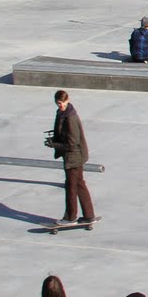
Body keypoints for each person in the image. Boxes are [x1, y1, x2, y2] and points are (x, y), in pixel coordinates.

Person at [44, 90, 97, 225]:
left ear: (68, 100)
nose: (60, 105)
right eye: (58, 103)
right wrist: (54, 138)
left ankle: (70, 217)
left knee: (71, 187)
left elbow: (72, 143)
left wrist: (55, 145)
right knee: (79, 184)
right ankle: (89, 215)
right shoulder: (63, 113)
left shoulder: (70, 117)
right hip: (74, 155)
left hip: (74, 156)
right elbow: (62, 133)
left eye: (62, 103)